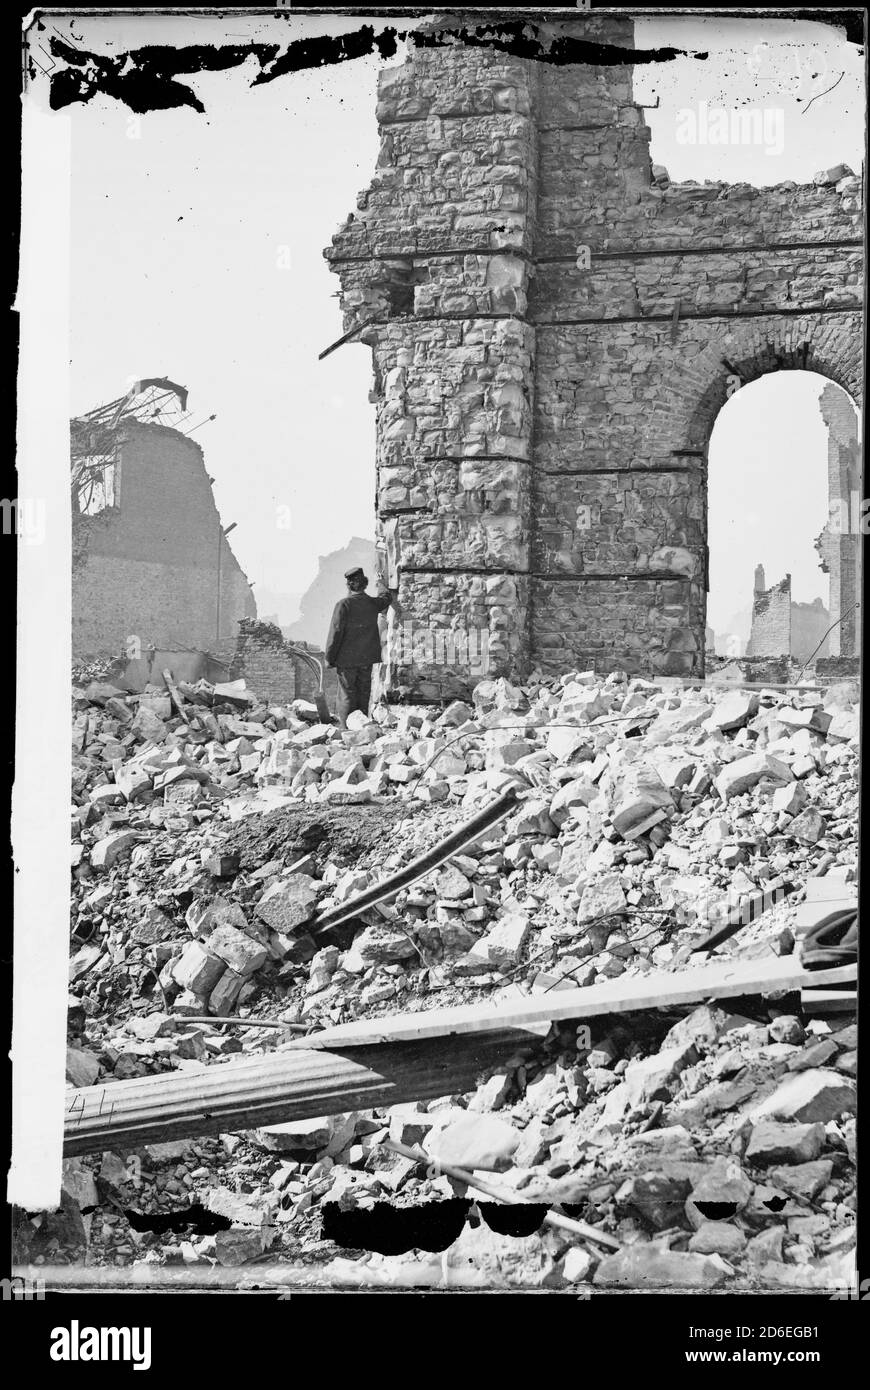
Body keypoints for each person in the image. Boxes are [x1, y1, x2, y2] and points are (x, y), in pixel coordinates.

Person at [324, 566, 395, 728]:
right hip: (367, 658)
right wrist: (381, 582)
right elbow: (386, 598)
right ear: (365, 584)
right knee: (364, 693)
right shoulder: (372, 603)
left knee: (347, 695)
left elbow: (335, 633)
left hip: (346, 660)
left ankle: (345, 729)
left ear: (349, 585)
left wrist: (329, 658)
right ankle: (362, 728)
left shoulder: (343, 605)